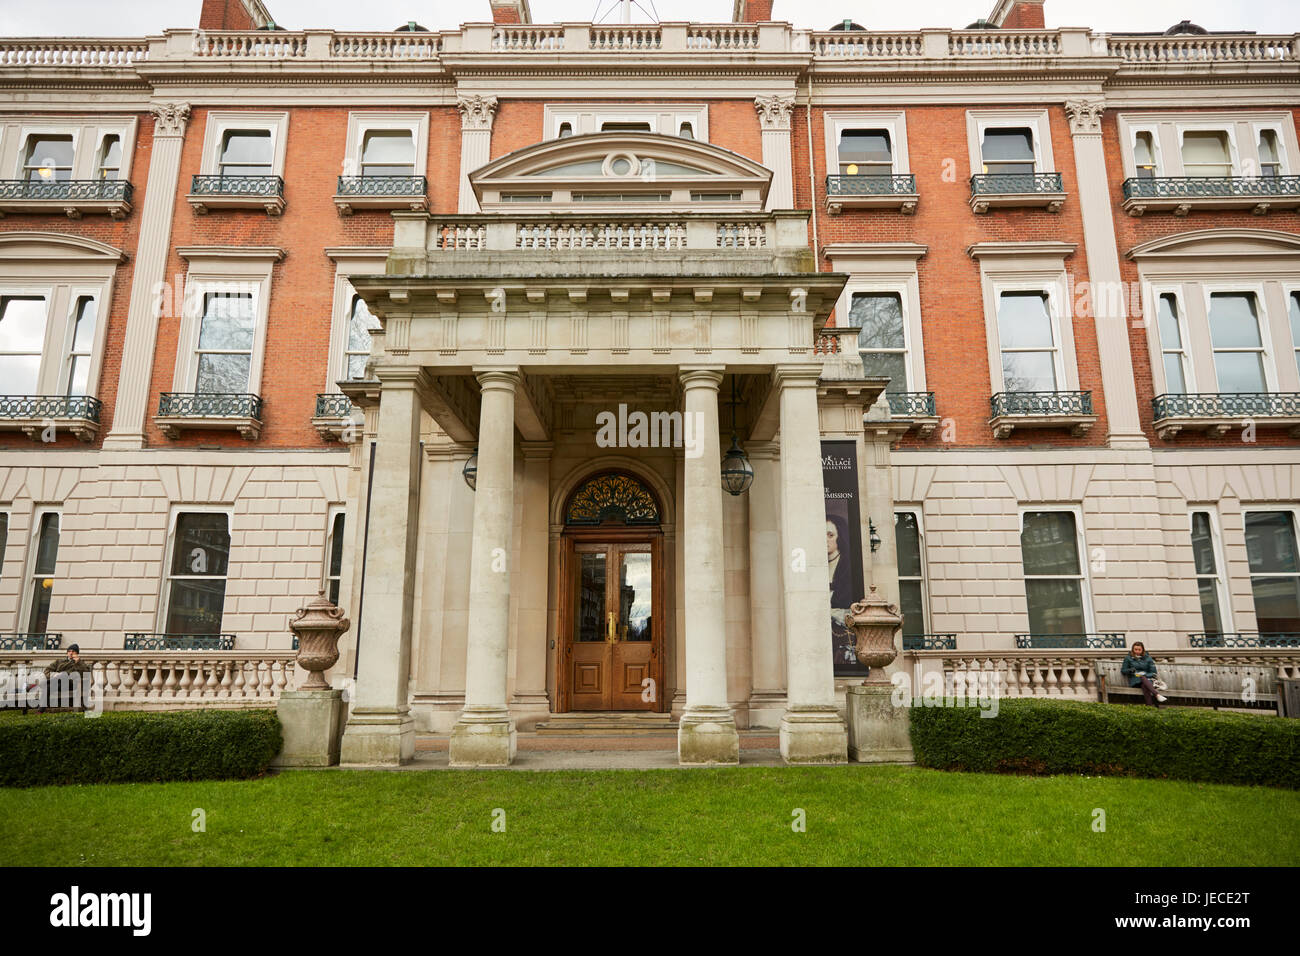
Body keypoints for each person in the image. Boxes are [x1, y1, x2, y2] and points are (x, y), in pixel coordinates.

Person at [1121, 642, 1167, 707]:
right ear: (1132, 649)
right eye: (1135, 649)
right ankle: (1157, 695)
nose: (1137, 651)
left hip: (1147, 680)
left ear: (1142, 650)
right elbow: (1123, 670)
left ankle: (1149, 706)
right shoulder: (1128, 658)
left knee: (1144, 684)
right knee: (1143, 680)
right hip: (1135, 680)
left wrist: (1145, 675)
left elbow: (1153, 672)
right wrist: (1130, 670)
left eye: (1139, 650)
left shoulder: (1148, 658)